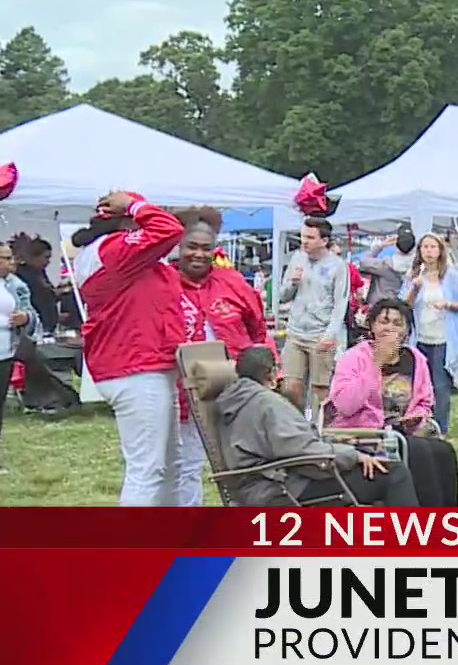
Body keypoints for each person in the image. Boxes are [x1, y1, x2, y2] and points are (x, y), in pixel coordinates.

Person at [71, 192, 195, 505]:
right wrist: (136, 205)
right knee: (147, 469)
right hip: (136, 367)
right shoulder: (113, 251)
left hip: (143, 364)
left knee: (167, 465)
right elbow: (169, 229)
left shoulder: (108, 253)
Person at [217, 345, 418, 506]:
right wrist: (353, 455)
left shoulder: (232, 402)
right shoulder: (267, 404)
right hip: (282, 487)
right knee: (393, 473)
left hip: (266, 482)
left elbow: (290, 443)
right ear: (271, 374)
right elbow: (302, 450)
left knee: (372, 461)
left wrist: (336, 443)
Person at [326, 299, 458, 506]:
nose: (389, 328)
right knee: (418, 452)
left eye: (398, 324)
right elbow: (345, 405)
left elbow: (425, 400)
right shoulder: (353, 358)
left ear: (406, 331)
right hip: (364, 434)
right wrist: (376, 363)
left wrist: (417, 417)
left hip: (406, 430)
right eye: (384, 322)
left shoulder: (415, 358)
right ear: (372, 326)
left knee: (444, 451)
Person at [279, 218, 351, 417]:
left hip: (321, 335)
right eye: (303, 236)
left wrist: (330, 335)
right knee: (291, 387)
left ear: (324, 240)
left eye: (310, 237)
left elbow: (340, 304)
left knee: (321, 390)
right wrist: (292, 283)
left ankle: (320, 430)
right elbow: (283, 295)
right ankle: (295, 427)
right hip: (295, 333)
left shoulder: (338, 266)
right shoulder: (297, 259)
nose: (305, 241)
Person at [176, 218, 272, 360]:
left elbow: (256, 328)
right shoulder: (164, 285)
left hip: (233, 371)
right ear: (180, 248)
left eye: (206, 249)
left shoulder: (234, 282)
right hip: (178, 373)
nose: (199, 254)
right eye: (192, 247)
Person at [404, 232, 458, 435]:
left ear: (440, 250)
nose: (429, 251)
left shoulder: (450, 276)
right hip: (420, 337)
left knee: (440, 385)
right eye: (425, 247)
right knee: (419, 383)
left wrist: (447, 304)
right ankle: (421, 422)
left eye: (433, 247)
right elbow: (404, 306)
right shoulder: (414, 275)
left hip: (443, 338)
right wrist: (414, 289)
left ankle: (442, 427)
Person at [0, 241, 40, 474]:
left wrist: (26, 317)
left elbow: (32, 314)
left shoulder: (16, 285)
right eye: (5, 258)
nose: (11, 262)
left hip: (5, 352)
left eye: (10, 257)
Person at [359, 227, 415, 307]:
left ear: (396, 243)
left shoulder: (385, 265)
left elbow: (363, 262)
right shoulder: (417, 266)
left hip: (379, 306)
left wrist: (381, 246)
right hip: (402, 308)